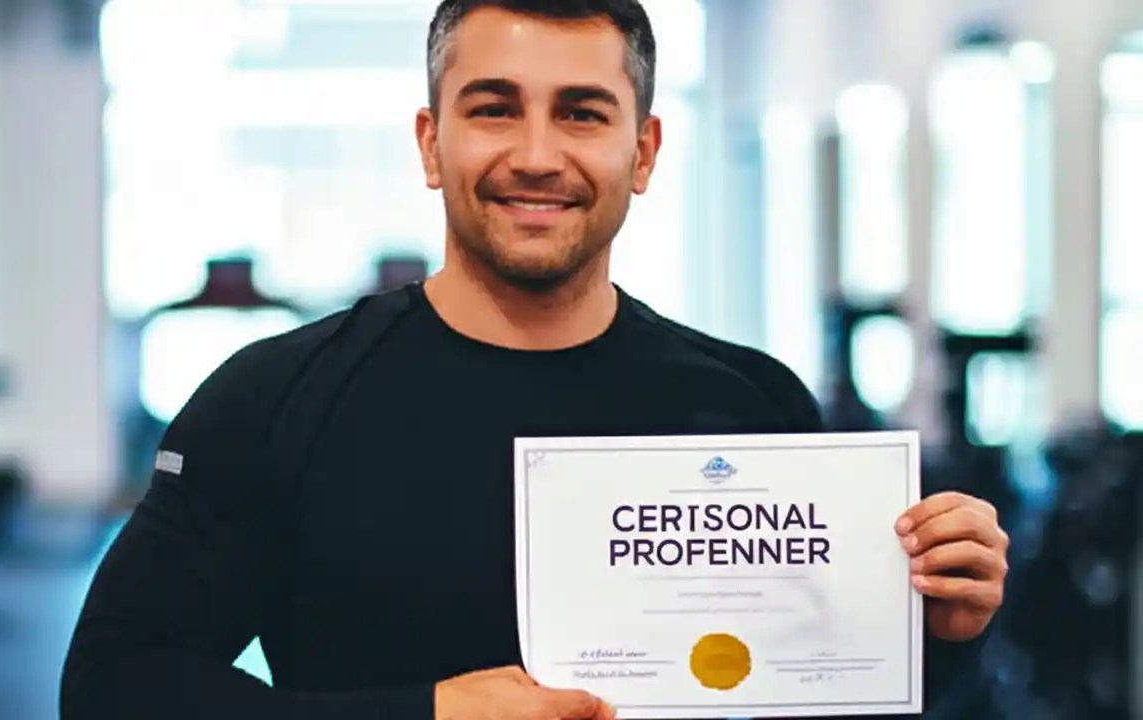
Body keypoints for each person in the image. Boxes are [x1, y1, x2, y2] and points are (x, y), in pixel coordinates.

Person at [59, 1, 1009, 718]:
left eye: (584, 114)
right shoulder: (273, 399)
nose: (538, 154)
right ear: (432, 143)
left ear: (643, 151)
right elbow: (115, 686)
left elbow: (832, 696)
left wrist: (935, 630)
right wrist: (423, 713)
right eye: (494, 108)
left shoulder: (750, 405)